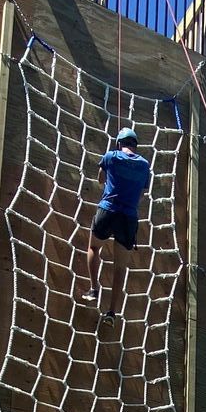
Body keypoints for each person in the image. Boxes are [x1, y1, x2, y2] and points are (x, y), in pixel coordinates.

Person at [84, 125, 152, 320]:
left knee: (94, 247)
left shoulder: (111, 156)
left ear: (119, 143)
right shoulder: (144, 165)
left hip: (108, 209)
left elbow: (99, 180)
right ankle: (112, 313)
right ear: (135, 145)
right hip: (128, 217)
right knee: (119, 268)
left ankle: (94, 288)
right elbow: (141, 193)